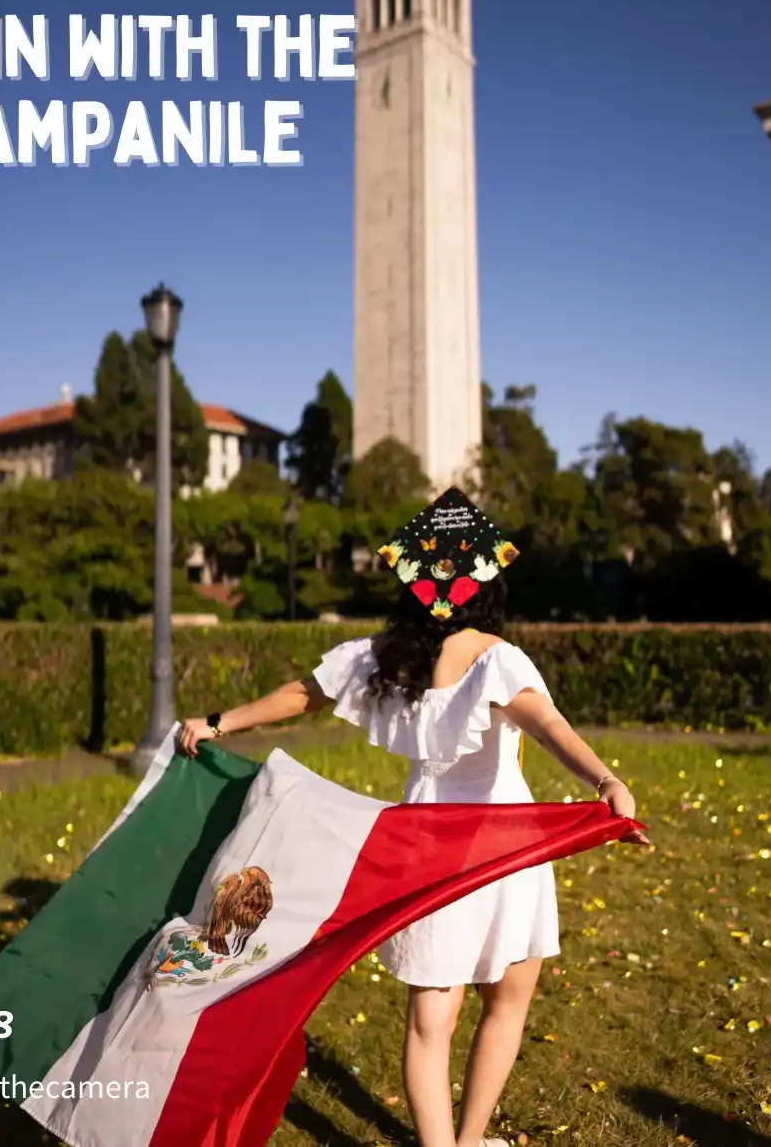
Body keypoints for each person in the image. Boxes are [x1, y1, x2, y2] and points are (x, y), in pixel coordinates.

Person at [178, 489, 649, 1147]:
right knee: (507, 1001)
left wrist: (217, 722)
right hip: (500, 845)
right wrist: (604, 778)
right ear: (488, 583)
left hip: (424, 844)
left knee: (432, 1018)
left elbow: (299, 695)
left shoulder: (386, 655)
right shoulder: (495, 657)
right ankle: (469, 1138)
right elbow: (545, 723)